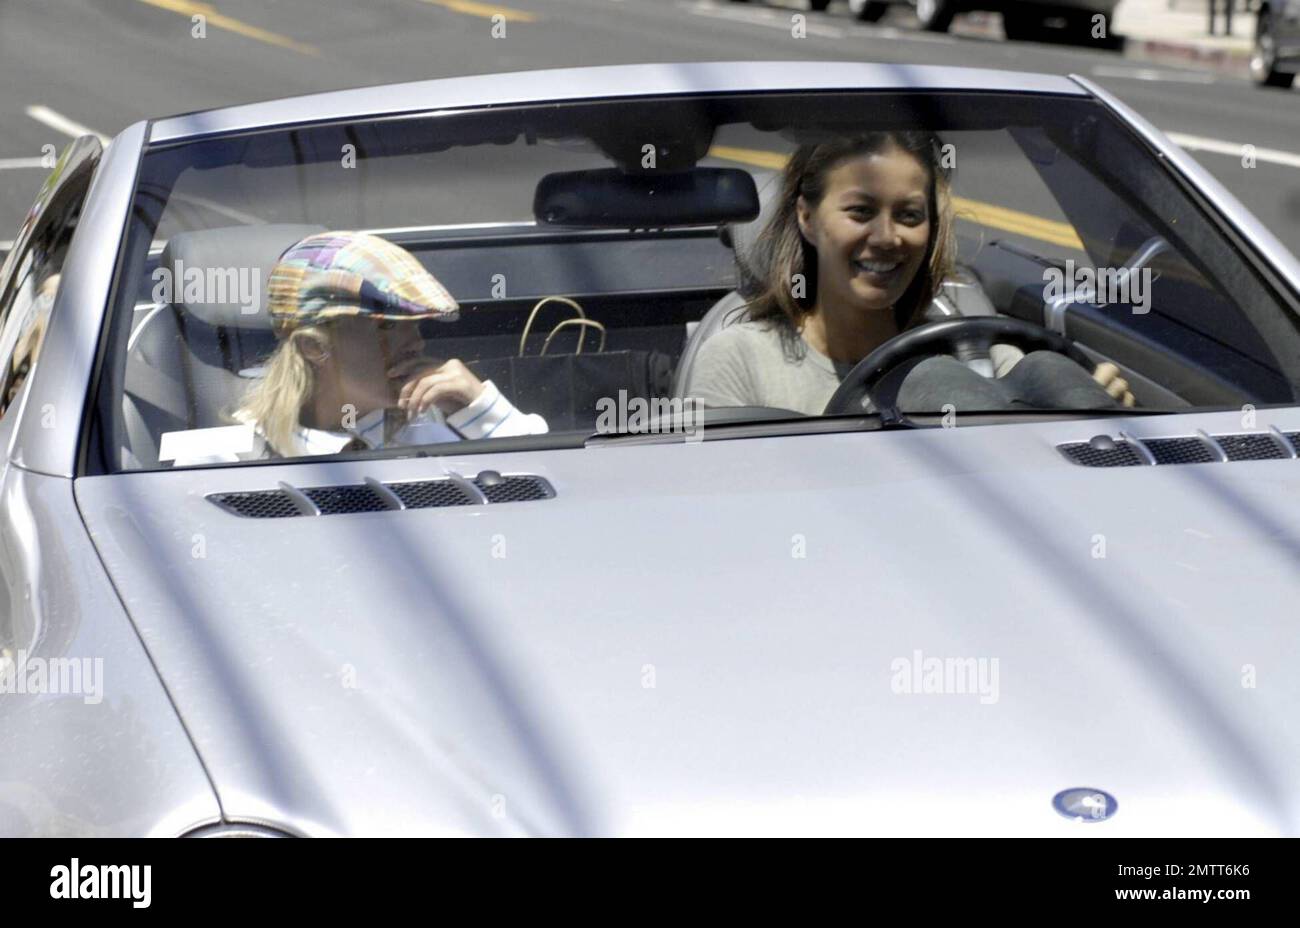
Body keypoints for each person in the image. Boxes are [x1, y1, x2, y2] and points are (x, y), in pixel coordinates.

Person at [686, 131, 1134, 415]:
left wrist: (1098, 406)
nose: (886, 237)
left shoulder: (979, 357)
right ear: (807, 218)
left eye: (909, 215)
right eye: (861, 211)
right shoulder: (739, 359)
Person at [170, 231, 546, 464]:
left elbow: (556, 495)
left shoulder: (436, 432)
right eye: (386, 327)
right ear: (313, 348)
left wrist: (481, 409)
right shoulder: (225, 456)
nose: (415, 341)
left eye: (415, 325)